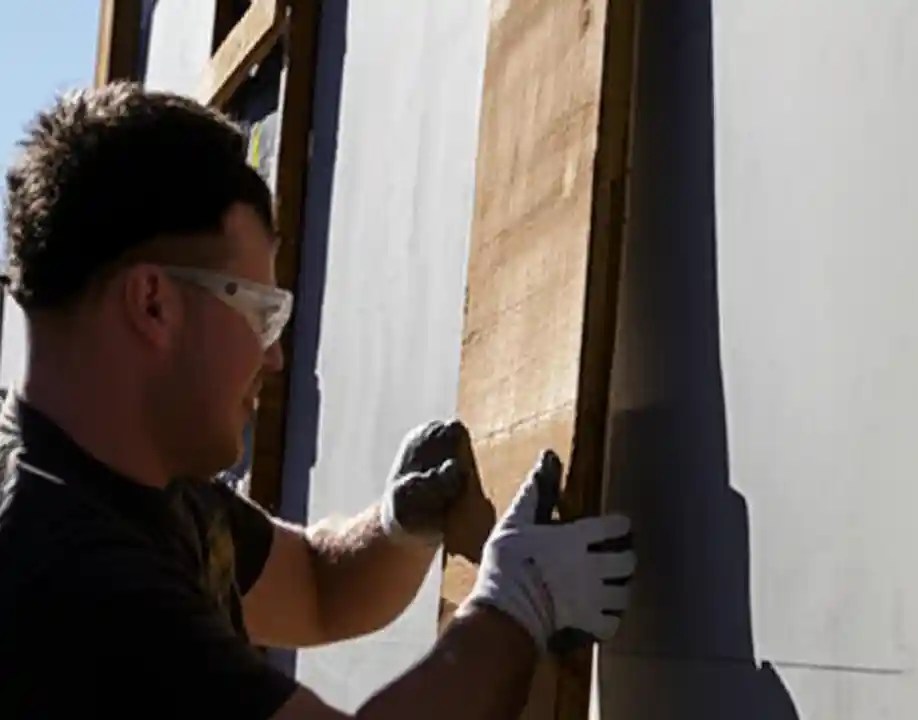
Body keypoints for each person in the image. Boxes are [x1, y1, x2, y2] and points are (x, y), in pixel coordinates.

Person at [0, 82, 636, 719]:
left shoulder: (134, 488)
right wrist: (515, 608)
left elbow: (314, 588)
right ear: (153, 304)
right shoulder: (66, 573)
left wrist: (396, 529)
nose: (273, 357)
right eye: (260, 313)